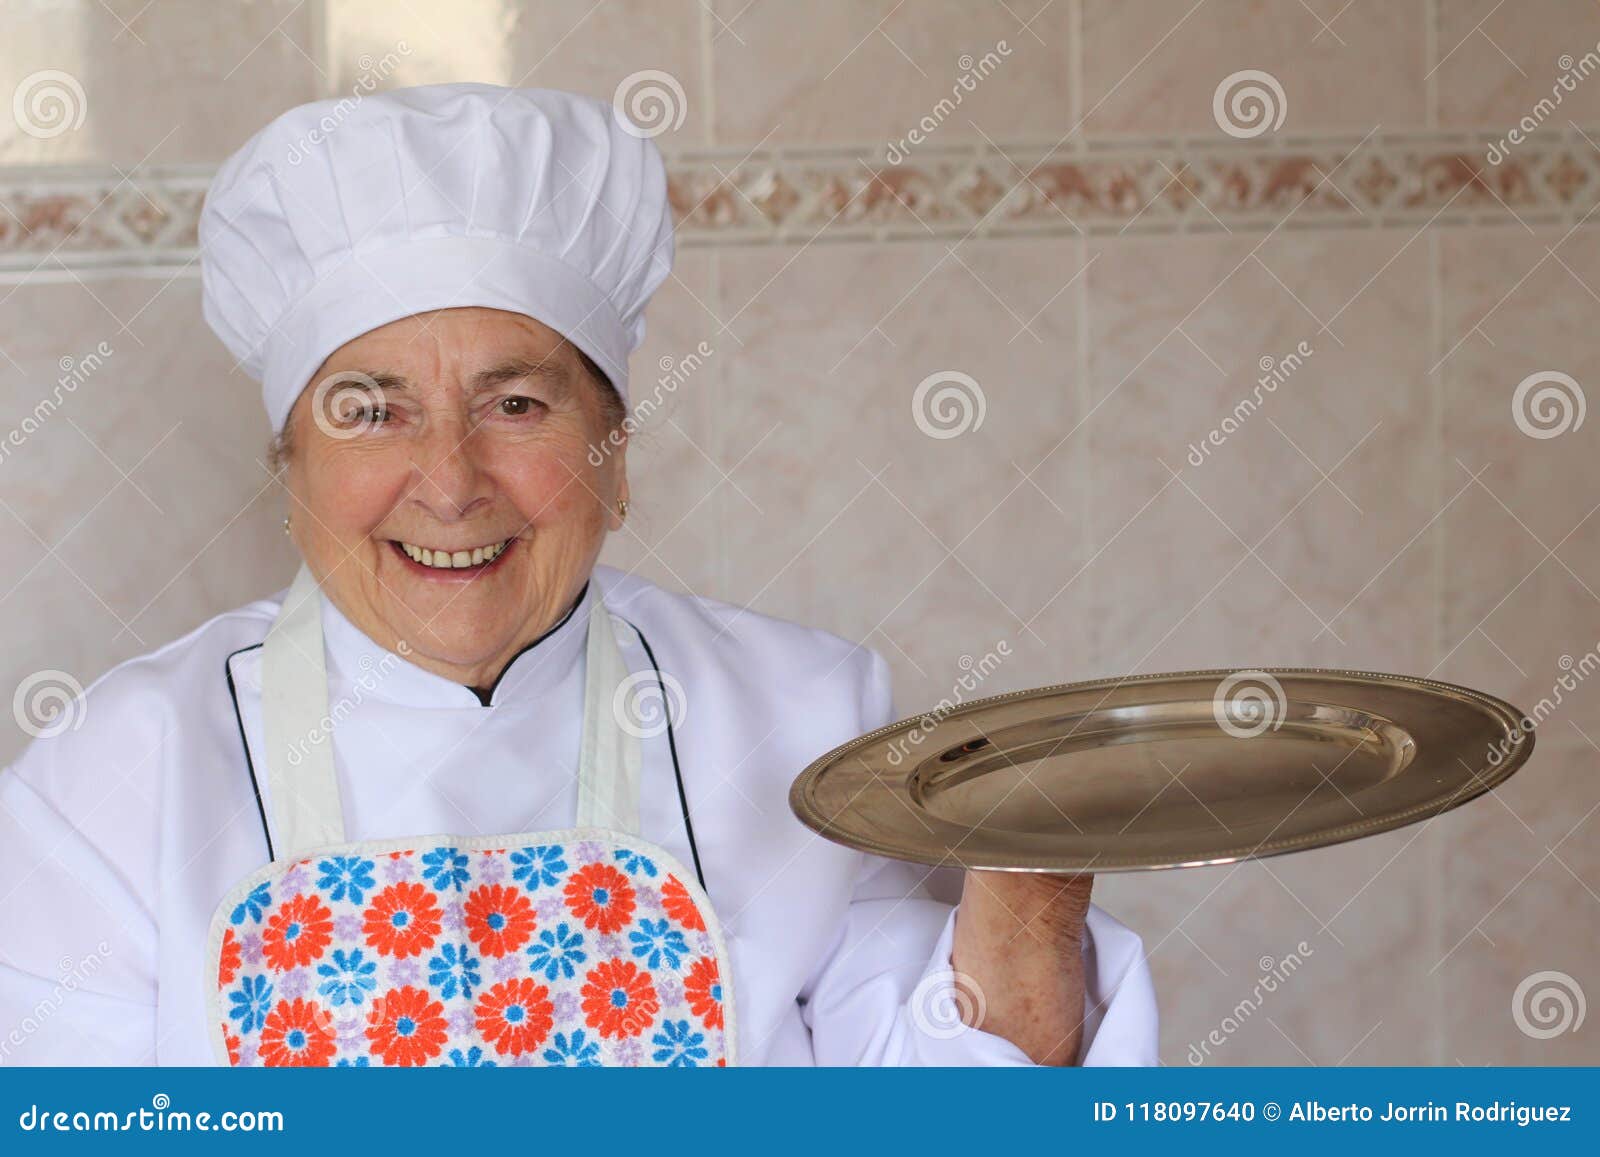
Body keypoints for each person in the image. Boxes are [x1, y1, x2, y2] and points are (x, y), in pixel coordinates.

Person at [0, 84, 1157, 1067]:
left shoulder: (804, 723)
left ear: (614, 457)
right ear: (288, 468)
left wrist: (1033, 875)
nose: (449, 483)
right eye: (370, 410)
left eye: (516, 404)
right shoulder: (116, 774)